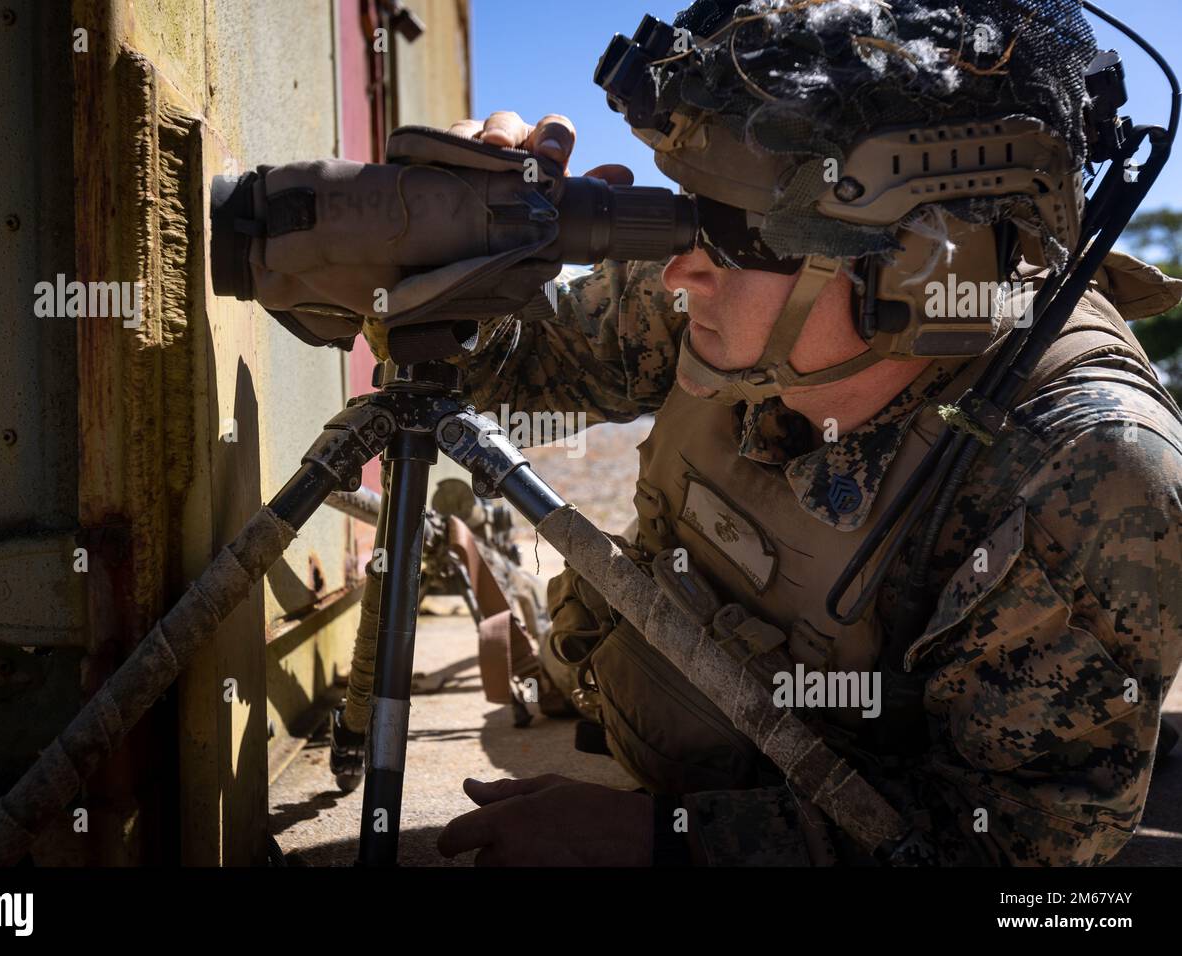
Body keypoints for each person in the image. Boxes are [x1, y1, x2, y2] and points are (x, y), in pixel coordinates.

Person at [401, 0, 1182, 866]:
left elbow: (1012, 848)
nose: (679, 269)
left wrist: (664, 844)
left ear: (916, 271)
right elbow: (508, 373)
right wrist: (440, 253)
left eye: (732, 233)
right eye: (689, 212)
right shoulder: (726, 298)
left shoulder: (1087, 468)